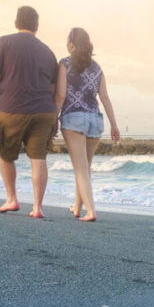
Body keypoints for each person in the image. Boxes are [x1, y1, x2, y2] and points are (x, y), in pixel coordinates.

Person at [0, 5, 61, 217]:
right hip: (44, 111)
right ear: (37, 26)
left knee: (6, 154)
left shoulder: (4, 42)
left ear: (16, 23)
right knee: (38, 158)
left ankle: (12, 199)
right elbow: (53, 89)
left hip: (11, 108)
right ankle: (38, 207)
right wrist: (54, 117)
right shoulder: (49, 52)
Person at [56, 27, 121, 222]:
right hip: (94, 120)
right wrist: (114, 125)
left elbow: (60, 95)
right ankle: (77, 207)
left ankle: (91, 211)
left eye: (67, 41)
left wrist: (52, 118)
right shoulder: (97, 67)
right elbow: (105, 98)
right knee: (84, 167)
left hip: (73, 119)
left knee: (80, 168)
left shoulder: (64, 64)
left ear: (71, 44)